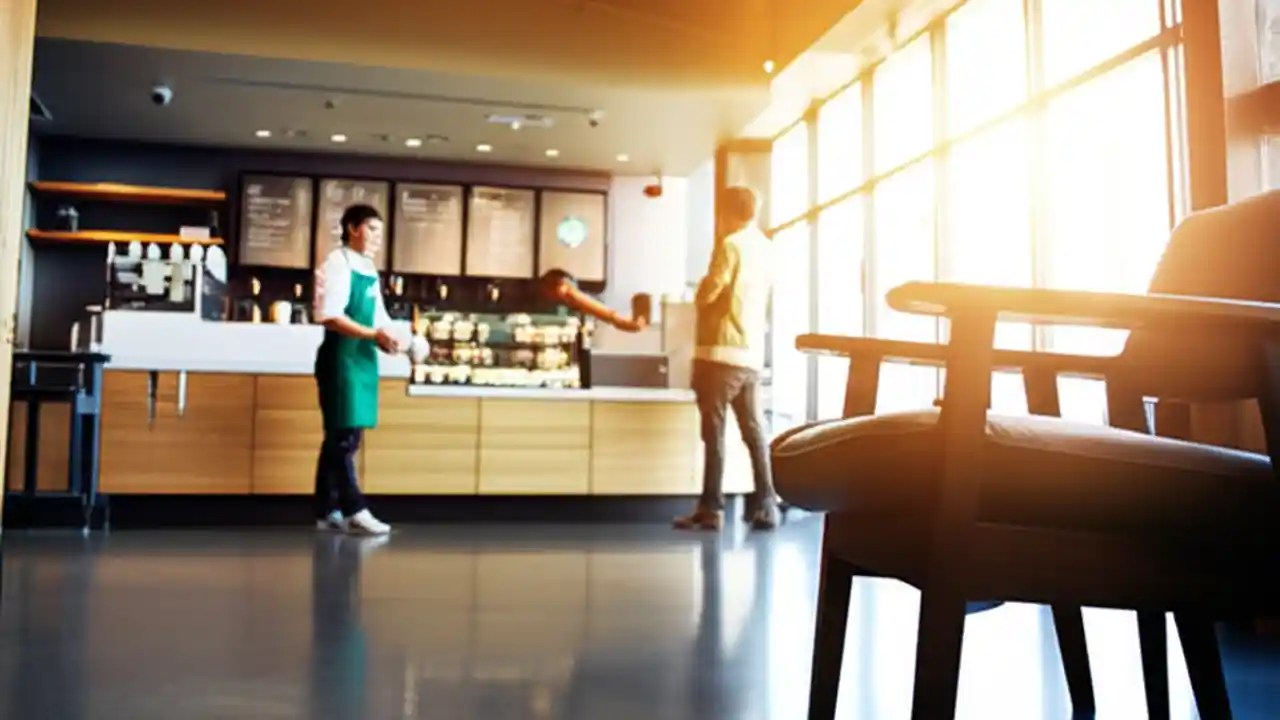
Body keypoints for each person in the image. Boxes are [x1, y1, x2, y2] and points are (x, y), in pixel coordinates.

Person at [674, 186, 780, 532]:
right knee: (753, 430)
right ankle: (767, 503)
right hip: (750, 353)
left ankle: (710, 509)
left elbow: (711, 291)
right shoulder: (767, 248)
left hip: (719, 352)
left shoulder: (730, 244)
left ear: (725, 213)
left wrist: (700, 291)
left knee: (714, 433)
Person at [311, 204, 402, 535]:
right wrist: (373, 335)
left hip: (362, 358)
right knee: (343, 438)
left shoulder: (368, 267)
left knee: (342, 437)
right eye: (372, 229)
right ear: (352, 228)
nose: (378, 238)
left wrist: (396, 340)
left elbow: (379, 317)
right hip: (340, 358)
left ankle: (326, 509)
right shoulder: (338, 263)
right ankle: (355, 508)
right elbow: (331, 317)